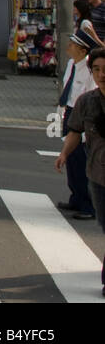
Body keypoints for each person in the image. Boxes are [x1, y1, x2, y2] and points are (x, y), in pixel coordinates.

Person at [57, 48, 105, 298]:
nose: (101, 74)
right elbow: (75, 130)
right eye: (96, 69)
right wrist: (65, 153)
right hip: (98, 177)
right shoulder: (86, 101)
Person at [58, 31, 99, 219]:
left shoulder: (92, 69)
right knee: (71, 161)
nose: (69, 46)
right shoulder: (71, 64)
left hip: (84, 115)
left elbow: (93, 98)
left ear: (83, 50)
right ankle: (76, 197)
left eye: (73, 44)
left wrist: (85, 132)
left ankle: (88, 206)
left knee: (82, 161)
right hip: (70, 112)